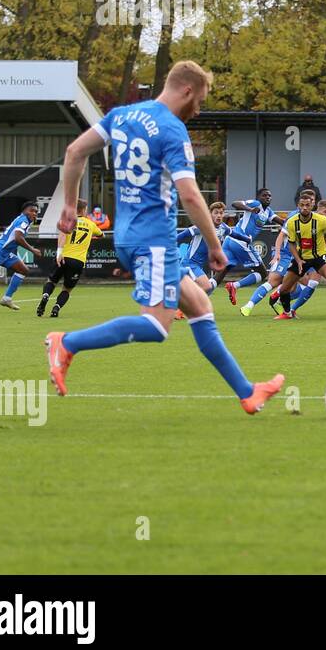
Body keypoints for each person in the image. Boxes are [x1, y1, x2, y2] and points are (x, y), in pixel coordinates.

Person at [44, 60, 283, 415]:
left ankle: (248, 393)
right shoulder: (172, 130)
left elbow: (74, 152)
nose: (198, 110)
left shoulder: (121, 115)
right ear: (187, 90)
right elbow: (190, 194)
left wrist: (68, 206)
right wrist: (215, 246)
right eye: (199, 100)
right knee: (157, 326)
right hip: (152, 239)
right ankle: (66, 343)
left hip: (128, 236)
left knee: (201, 308)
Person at [274, 192, 326, 320]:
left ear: (312, 206)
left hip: (319, 256)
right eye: (302, 205)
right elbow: (291, 243)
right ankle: (287, 313)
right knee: (285, 289)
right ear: (298, 205)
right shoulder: (292, 222)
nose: (305, 208)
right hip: (301, 258)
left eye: (307, 205)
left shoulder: (321, 220)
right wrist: (298, 260)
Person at [37, 199, 104, 318]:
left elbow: (62, 235)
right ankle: (56, 307)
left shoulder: (68, 221)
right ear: (83, 209)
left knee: (52, 281)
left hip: (63, 257)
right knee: (67, 289)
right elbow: (101, 235)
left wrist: (59, 252)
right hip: (78, 261)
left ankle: (46, 295)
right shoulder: (91, 224)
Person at [218, 187, 279, 303]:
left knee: (221, 273)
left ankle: (190, 302)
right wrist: (249, 209)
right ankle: (234, 285)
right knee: (263, 273)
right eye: (264, 195)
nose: (267, 197)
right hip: (240, 241)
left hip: (230, 241)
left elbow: (280, 221)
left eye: (269, 196)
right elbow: (235, 203)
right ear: (258, 197)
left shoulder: (268, 211)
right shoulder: (255, 204)